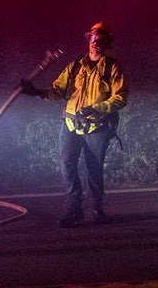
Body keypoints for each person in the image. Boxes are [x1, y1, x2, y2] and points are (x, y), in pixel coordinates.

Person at [21, 22, 128, 227]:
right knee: (67, 165)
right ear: (89, 40)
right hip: (70, 125)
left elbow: (120, 98)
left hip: (97, 127)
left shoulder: (112, 68)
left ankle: (96, 208)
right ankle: (73, 209)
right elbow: (58, 90)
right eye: (93, 38)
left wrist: (97, 108)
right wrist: (35, 92)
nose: (96, 43)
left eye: (101, 40)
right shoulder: (76, 65)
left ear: (107, 44)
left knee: (94, 168)